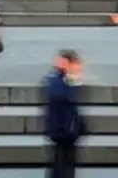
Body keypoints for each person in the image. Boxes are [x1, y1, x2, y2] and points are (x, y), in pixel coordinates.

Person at [43, 50, 86, 178]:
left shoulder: (61, 80)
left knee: (64, 163)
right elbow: (60, 98)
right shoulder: (57, 80)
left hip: (66, 130)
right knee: (62, 164)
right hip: (62, 130)